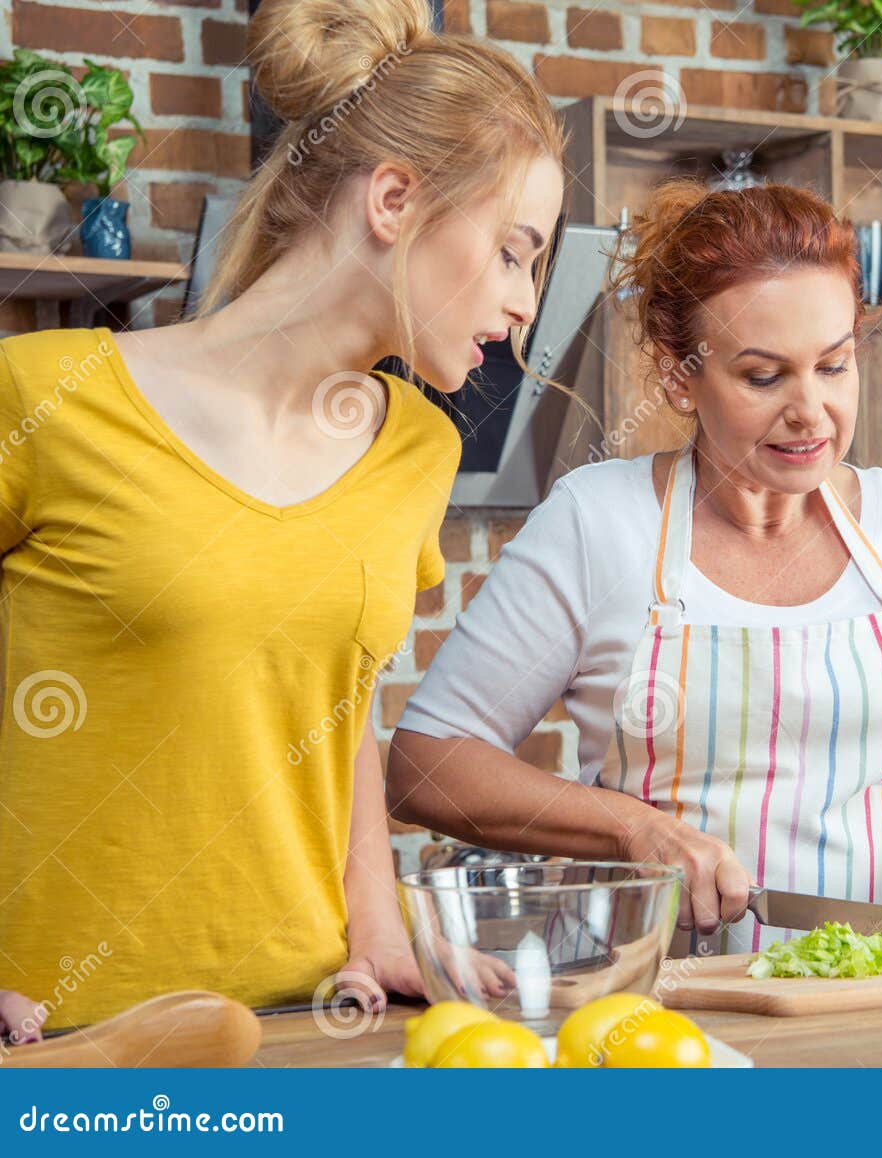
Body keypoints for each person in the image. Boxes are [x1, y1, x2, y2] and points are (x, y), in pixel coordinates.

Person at [0, 0, 564, 1037]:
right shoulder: (43, 399)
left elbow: (334, 708)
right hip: (59, 1035)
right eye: (514, 251)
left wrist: (378, 926)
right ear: (393, 198)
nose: (525, 299)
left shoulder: (415, 450)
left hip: (310, 1021)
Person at [388, 179, 882, 956]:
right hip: (653, 1007)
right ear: (680, 376)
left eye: (834, 367)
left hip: (875, 998)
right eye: (764, 377)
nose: (811, 412)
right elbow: (427, 765)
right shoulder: (599, 523)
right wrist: (635, 829)